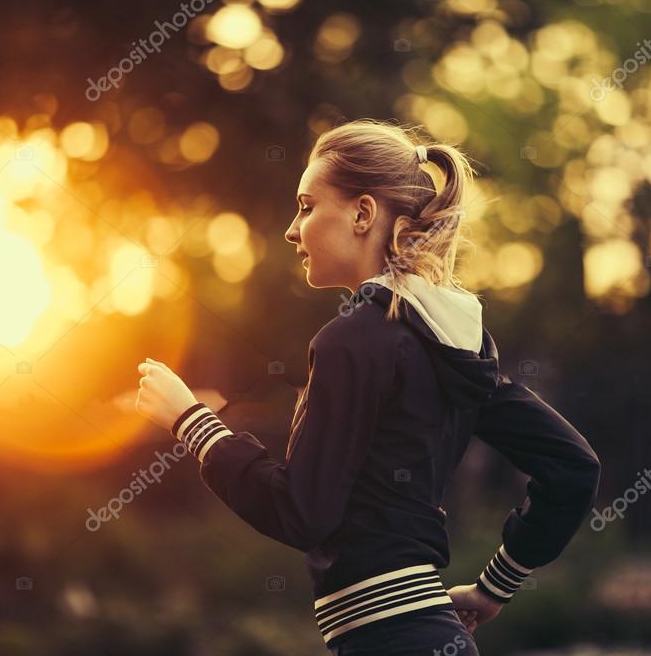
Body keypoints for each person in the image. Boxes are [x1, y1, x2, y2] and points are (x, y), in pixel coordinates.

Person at [135, 118, 602, 655]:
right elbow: (573, 468)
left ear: (362, 213)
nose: (292, 229)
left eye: (307, 205)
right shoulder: (452, 342)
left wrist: (191, 423)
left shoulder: (350, 341)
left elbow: (301, 511)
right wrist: (495, 587)